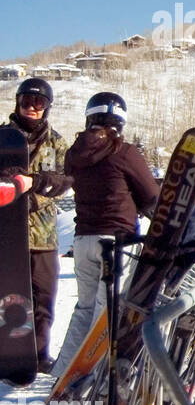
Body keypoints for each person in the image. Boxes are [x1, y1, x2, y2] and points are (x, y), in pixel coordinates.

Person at [52, 92, 158, 378]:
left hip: (83, 240)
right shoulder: (124, 151)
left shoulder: (74, 153)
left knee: (84, 308)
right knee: (106, 314)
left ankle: (63, 372)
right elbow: (151, 196)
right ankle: (95, 376)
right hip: (116, 242)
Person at [6, 78, 71, 379]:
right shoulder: (3, 138)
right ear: (17, 102)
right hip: (7, 233)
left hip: (43, 235)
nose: (32, 107)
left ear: (47, 107)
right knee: (8, 296)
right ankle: (7, 351)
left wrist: (35, 183)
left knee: (43, 295)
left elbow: (67, 181)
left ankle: (39, 353)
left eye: (39, 102)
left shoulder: (57, 143)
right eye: (27, 101)